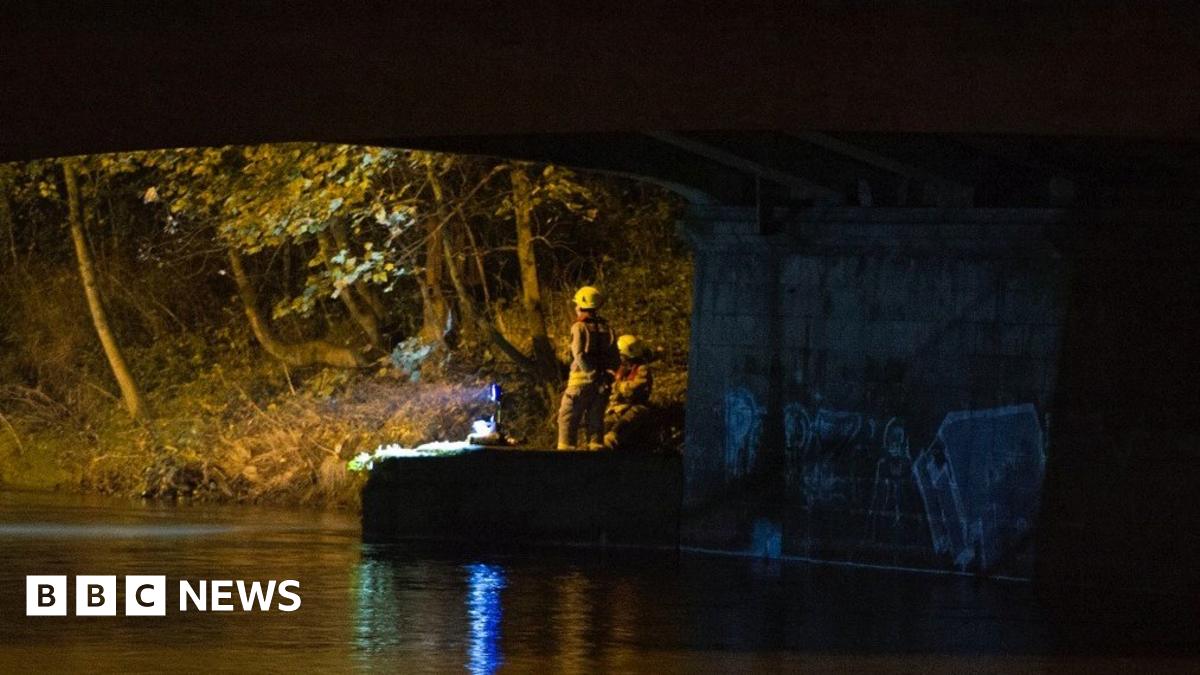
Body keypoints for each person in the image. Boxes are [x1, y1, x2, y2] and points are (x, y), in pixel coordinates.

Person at [556, 286, 619, 450]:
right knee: (595, 421)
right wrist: (606, 378)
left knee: (567, 418)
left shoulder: (579, 327)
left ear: (581, 305)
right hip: (602, 384)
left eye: (577, 304)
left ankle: (565, 457)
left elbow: (578, 354)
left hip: (580, 383)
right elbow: (615, 357)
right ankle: (595, 456)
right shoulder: (607, 328)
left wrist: (592, 374)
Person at [604, 334, 654, 451]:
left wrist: (618, 385)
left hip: (637, 406)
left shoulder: (642, 369)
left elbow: (633, 389)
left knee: (624, 423)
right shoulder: (621, 369)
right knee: (606, 425)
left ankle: (612, 439)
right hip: (619, 407)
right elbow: (614, 393)